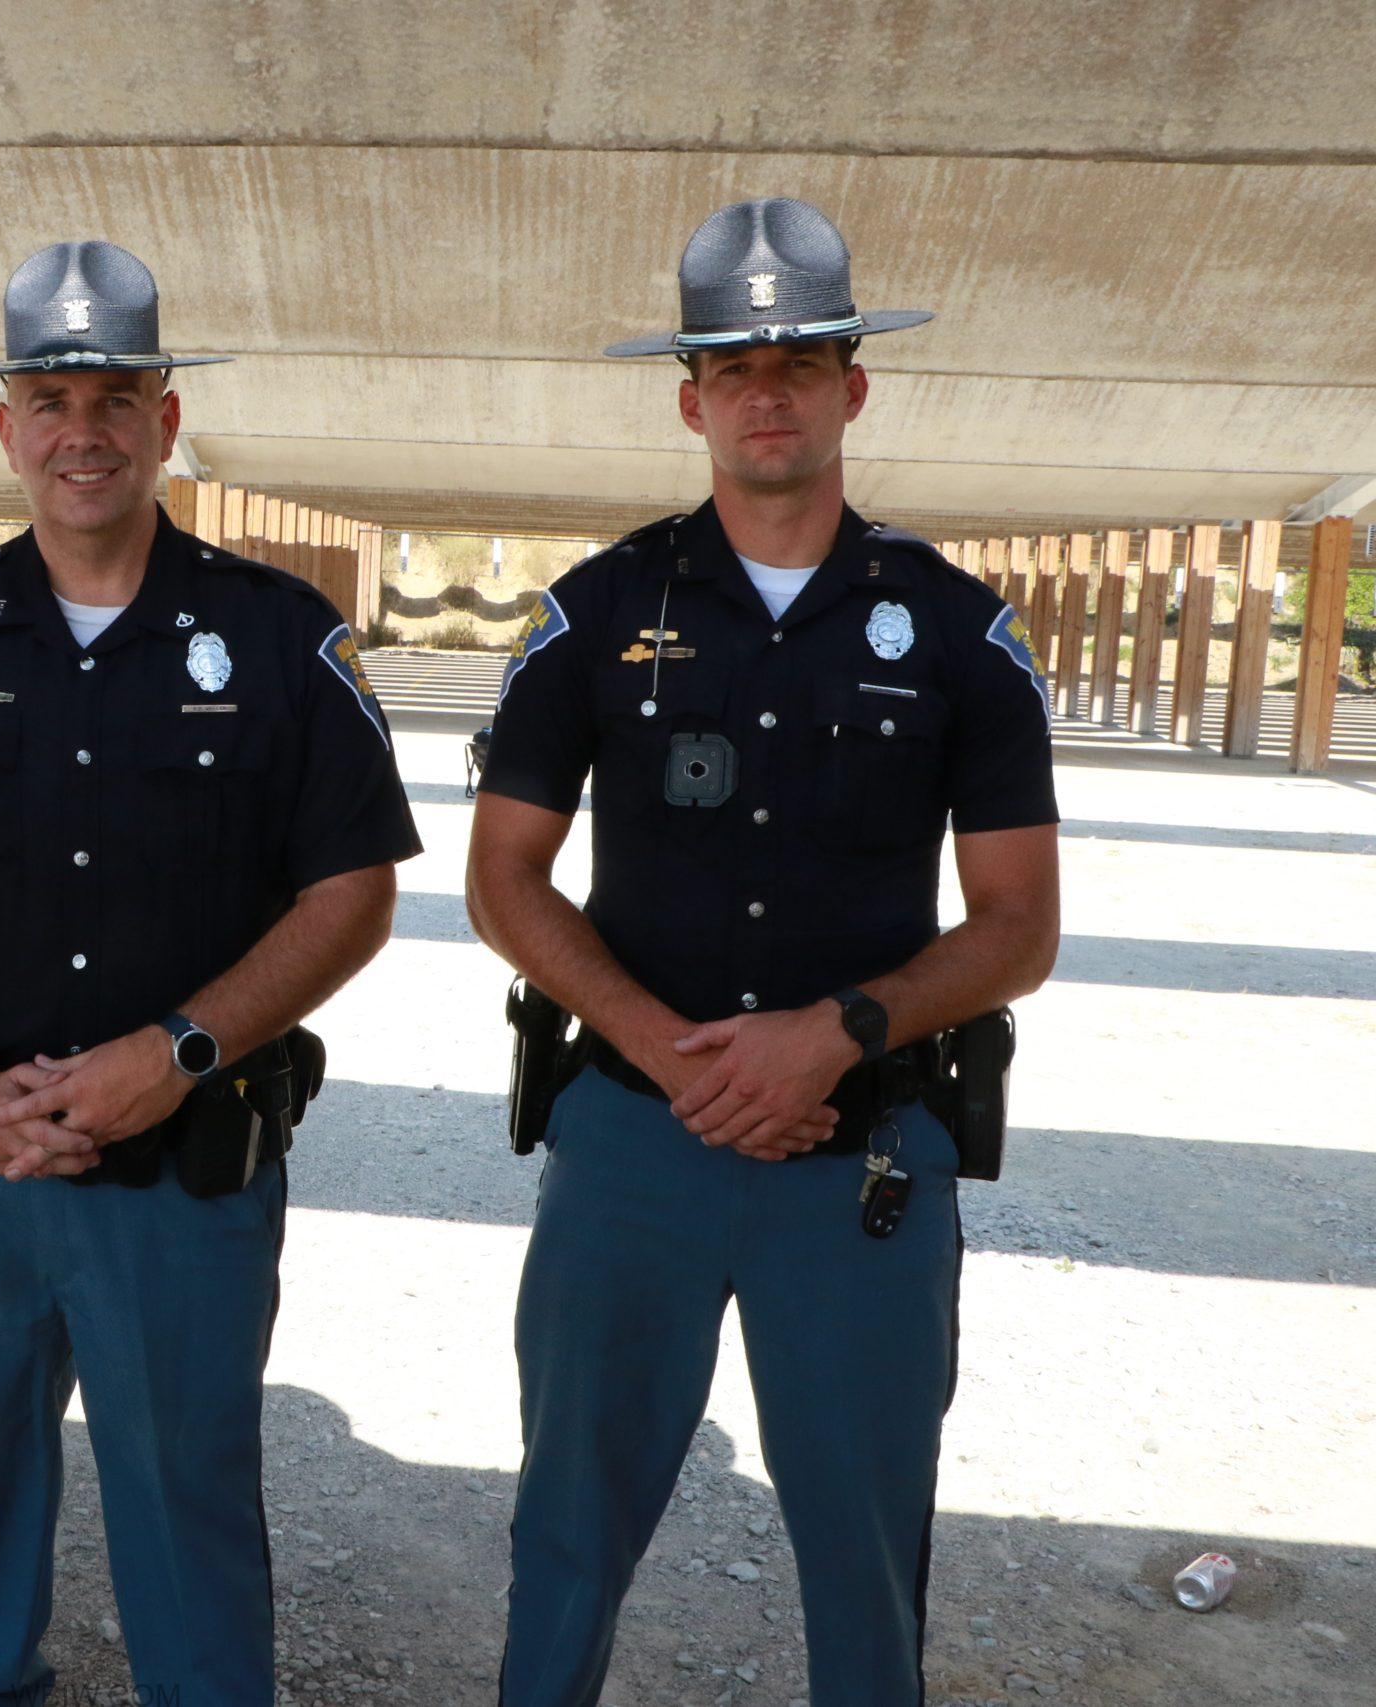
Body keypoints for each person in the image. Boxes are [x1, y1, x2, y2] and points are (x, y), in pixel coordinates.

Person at [467, 197, 1062, 1706]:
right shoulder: (595, 616)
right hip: (633, 1148)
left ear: (854, 385)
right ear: (692, 400)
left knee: (864, 1560)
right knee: (568, 1536)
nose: (769, 389)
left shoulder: (956, 632)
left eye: (801, 358)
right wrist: (677, 1056)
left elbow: (1018, 925)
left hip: (857, 1164)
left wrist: (841, 1031)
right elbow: (506, 882)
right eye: (735, 365)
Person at [0, 239, 421, 1707]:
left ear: (164, 419)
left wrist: (179, 1054)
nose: (80, 429)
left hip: (185, 1164)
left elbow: (354, 891)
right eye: (48, 398)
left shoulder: (278, 639)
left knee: (187, 1484)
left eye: (113, 396)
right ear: (2, 427)